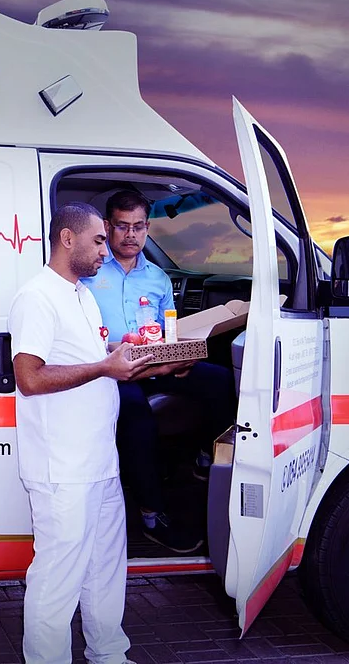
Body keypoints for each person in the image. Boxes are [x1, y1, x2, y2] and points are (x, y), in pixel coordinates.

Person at [8, 201, 191, 664]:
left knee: (105, 570)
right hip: (63, 467)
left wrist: (126, 351)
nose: (104, 250)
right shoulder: (37, 297)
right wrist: (103, 366)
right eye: (96, 240)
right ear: (67, 239)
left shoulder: (83, 294)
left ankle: (108, 655)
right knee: (57, 578)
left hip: (99, 463)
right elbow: (30, 378)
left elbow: (93, 355)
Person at [81, 190, 238, 555]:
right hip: (112, 370)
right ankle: (152, 514)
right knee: (136, 416)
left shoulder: (158, 278)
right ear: (107, 227)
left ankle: (204, 456)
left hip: (156, 363)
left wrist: (177, 358)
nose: (131, 235)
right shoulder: (88, 271)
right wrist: (111, 355)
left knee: (222, 382)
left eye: (138, 227)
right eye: (122, 226)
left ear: (147, 228)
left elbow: (169, 329)